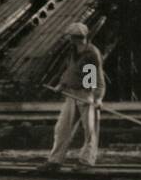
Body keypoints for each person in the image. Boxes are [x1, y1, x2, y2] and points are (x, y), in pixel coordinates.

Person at [39, 22, 106, 171]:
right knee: (61, 128)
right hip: (71, 94)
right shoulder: (73, 51)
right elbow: (70, 71)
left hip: (86, 94)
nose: (69, 39)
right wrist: (61, 85)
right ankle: (55, 160)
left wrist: (97, 98)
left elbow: (95, 78)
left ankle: (86, 161)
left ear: (77, 37)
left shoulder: (91, 53)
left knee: (90, 129)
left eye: (71, 36)